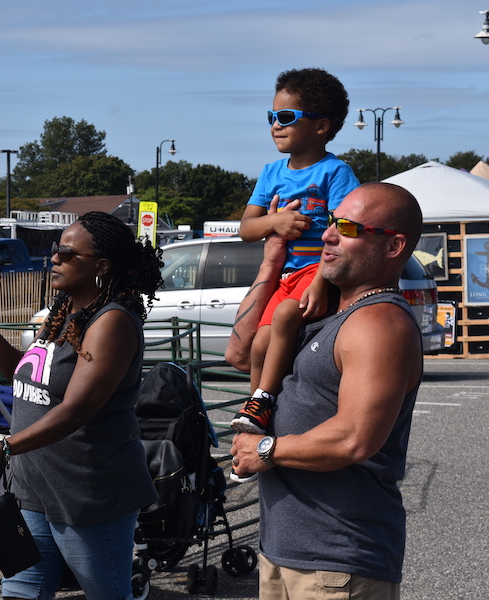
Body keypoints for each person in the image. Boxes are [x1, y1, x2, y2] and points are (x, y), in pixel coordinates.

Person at [0, 211, 163, 600]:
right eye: (54, 251)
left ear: (101, 265)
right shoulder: (63, 313)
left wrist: (0, 448)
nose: (54, 259)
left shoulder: (111, 322)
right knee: (21, 592)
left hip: (87, 494)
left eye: (66, 253)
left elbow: (77, 409)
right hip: (33, 487)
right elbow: (29, 374)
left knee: (108, 593)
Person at [230, 182, 424, 599]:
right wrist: (270, 266)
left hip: (337, 567)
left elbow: (354, 439)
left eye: (349, 228)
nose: (328, 234)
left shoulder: (379, 325)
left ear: (394, 246)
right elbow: (240, 352)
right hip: (287, 553)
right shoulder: (331, 311)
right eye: (333, 221)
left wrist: (263, 450)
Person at [229, 67, 360, 444]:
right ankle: (254, 420)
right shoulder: (271, 172)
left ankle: (262, 401)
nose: (275, 125)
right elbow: (246, 229)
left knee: (287, 316)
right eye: (271, 117)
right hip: (285, 276)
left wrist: (322, 281)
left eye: (286, 117)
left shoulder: (335, 172)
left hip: (316, 272)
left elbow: (340, 233)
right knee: (257, 346)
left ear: (321, 127)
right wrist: (278, 221)